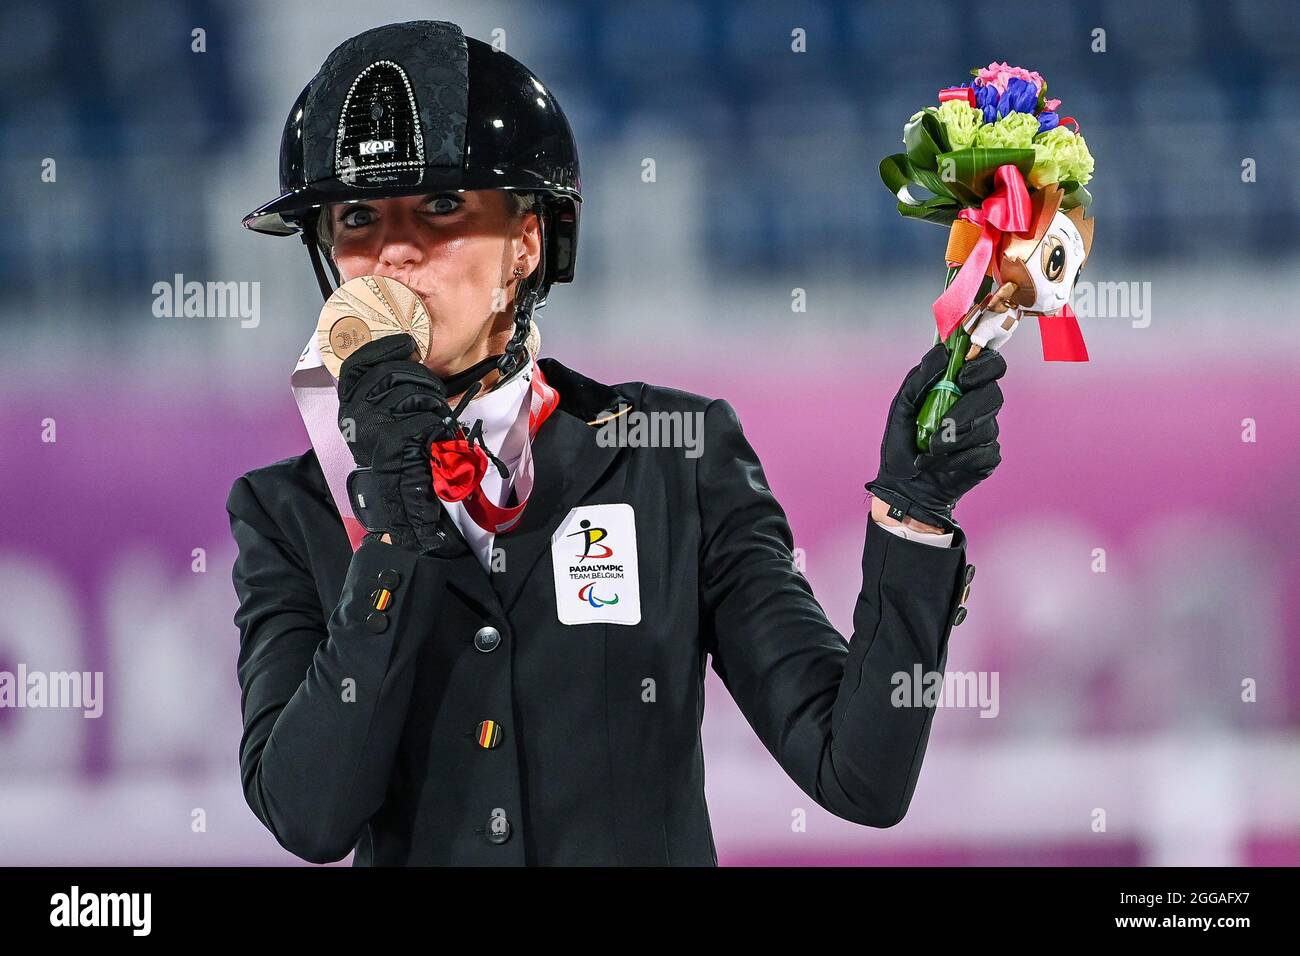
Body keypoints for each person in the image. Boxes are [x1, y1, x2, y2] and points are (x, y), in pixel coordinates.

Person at [227, 20, 1004, 866]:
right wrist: (395, 518)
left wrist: (915, 514)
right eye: (357, 219)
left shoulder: (673, 454)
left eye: (443, 207)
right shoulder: (291, 507)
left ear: (526, 243)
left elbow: (859, 776)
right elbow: (308, 816)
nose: (396, 252)